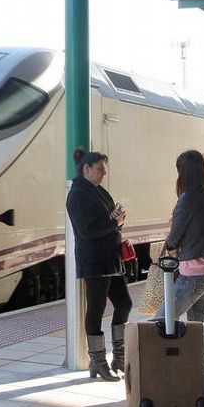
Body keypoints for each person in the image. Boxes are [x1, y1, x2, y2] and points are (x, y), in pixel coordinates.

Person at [65, 149, 132, 381]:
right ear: (87, 168)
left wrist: (116, 219)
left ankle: (119, 356)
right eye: (100, 169)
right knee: (96, 308)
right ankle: (98, 360)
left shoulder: (98, 191)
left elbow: (107, 221)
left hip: (111, 259)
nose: (104, 173)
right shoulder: (77, 194)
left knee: (124, 303)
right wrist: (114, 221)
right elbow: (87, 230)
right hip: (94, 261)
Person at [156, 149, 204, 326]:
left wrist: (171, 246)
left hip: (193, 272)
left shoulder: (187, 198)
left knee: (160, 321)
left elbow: (175, 235)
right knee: (197, 324)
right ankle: (198, 346)